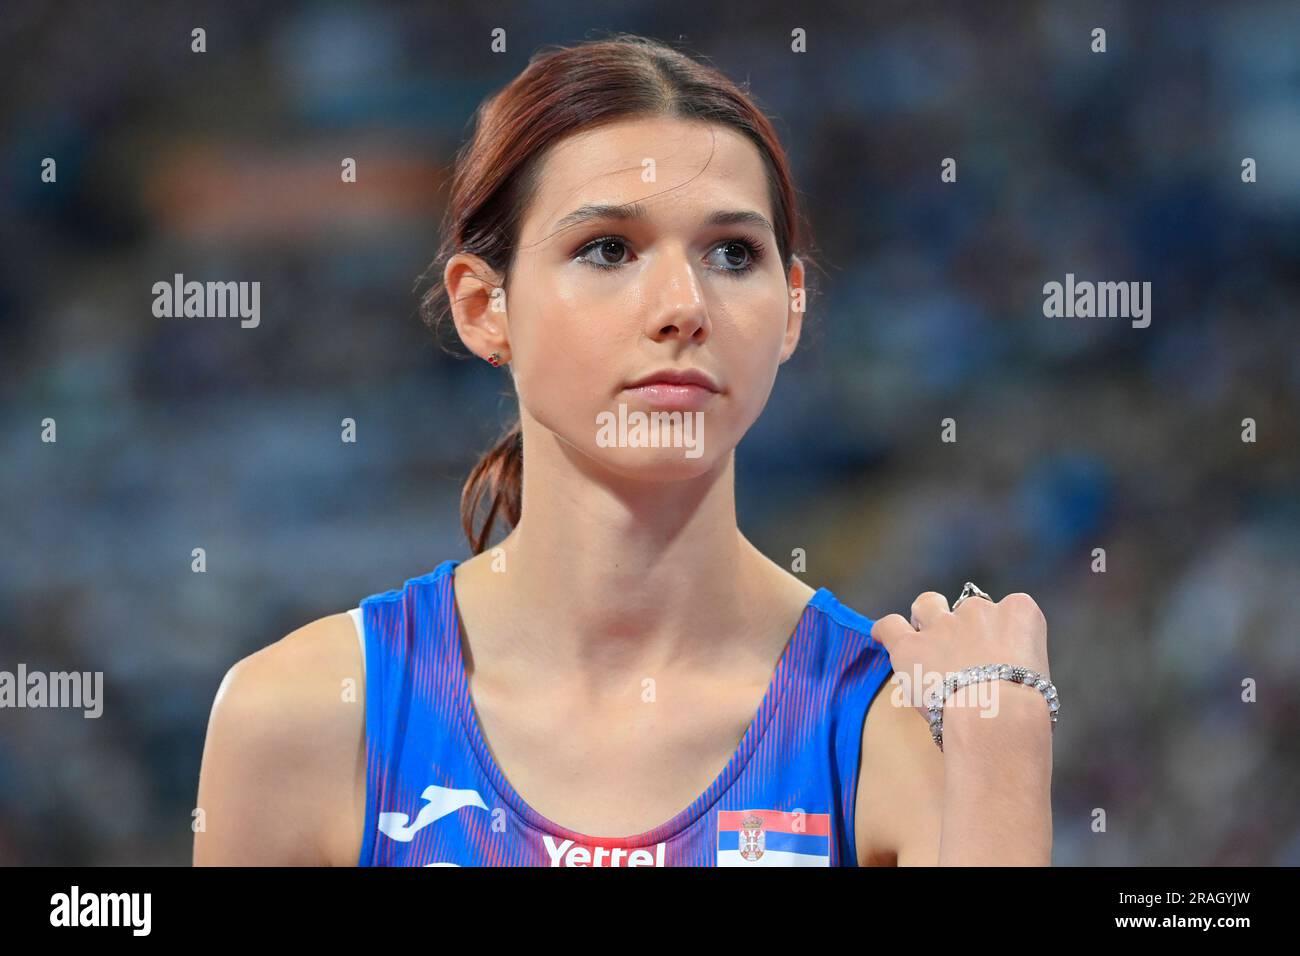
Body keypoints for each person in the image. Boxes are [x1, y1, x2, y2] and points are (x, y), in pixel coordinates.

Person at [193, 33, 1053, 867]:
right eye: (607, 248)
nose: (682, 304)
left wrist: (1004, 765)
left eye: (732, 252)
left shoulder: (901, 726)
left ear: (791, 308)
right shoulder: (303, 719)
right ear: (483, 305)